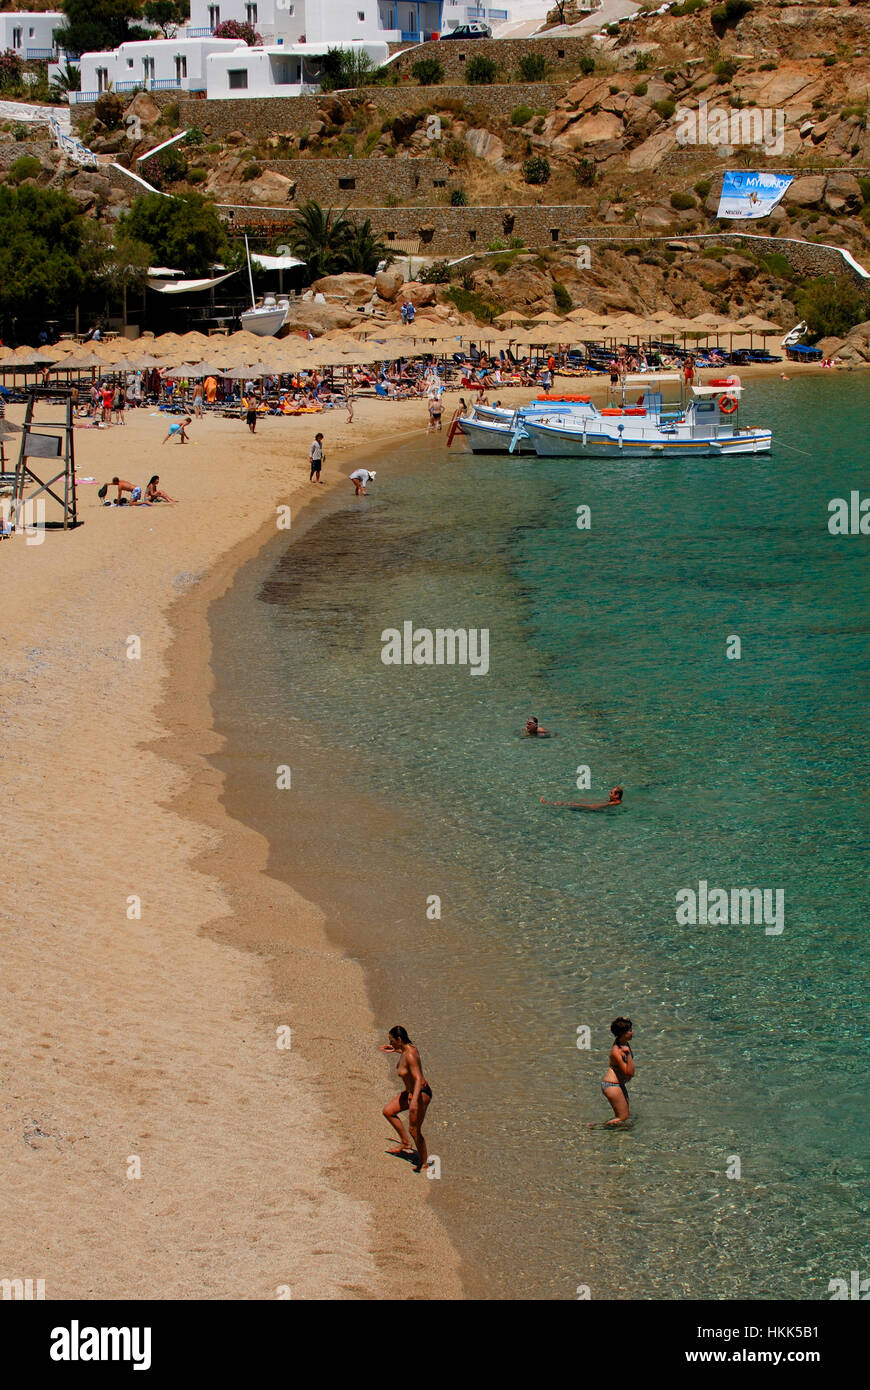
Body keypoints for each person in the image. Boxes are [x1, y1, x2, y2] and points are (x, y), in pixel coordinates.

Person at [380, 1025, 432, 1173]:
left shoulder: (410, 1054)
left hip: (420, 1094)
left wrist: (414, 1100)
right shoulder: (407, 1049)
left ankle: (425, 1163)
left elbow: (418, 1079)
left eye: (392, 1041)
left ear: (399, 1039)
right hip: (411, 1092)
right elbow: (406, 1055)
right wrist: (395, 1050)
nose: (390, 1043)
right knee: (388, 1111)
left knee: (414, 1130)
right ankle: (405, 1142)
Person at [599, 1016, 635, 1126]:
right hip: (612, 1085)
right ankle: (597, 1128)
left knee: (626, 1115)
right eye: (630, 1030)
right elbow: (629, 1073)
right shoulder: (617, 1051)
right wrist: (628, 1055)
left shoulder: (623, 1043)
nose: (633, 1032)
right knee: (622, 1117)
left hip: (618, 1084)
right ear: (623, 1033)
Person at [540, 787, 623, 810]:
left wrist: (590, 806)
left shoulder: (615, 803)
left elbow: (601, 805)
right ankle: (551, 803)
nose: (609, 794)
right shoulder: (614, 801)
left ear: (617, 795)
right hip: (595, 808)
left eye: (611, 793)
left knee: (572, 804)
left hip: (594, 809)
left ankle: (548, 803)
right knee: (578, 802)